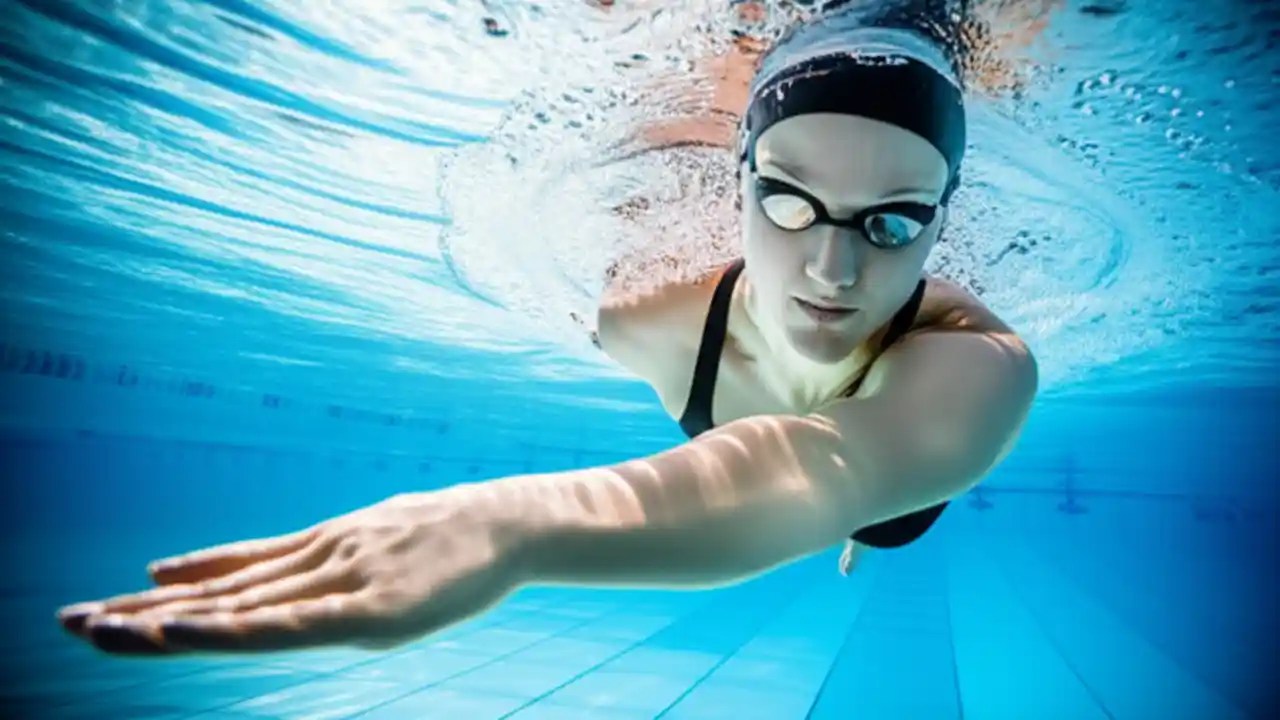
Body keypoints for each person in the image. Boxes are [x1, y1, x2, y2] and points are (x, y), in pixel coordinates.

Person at [56, 0, 1038, 656]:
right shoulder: (643, 319)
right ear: (735, 184)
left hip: (895, 486)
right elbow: (793, 467)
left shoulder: (976, 368)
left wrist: (517, 525)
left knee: (880, 522)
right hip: (820, 470)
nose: (833, 268)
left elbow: (834, 470)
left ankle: (868, 536)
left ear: (943, 221)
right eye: (786, 201)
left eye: (894, 220)